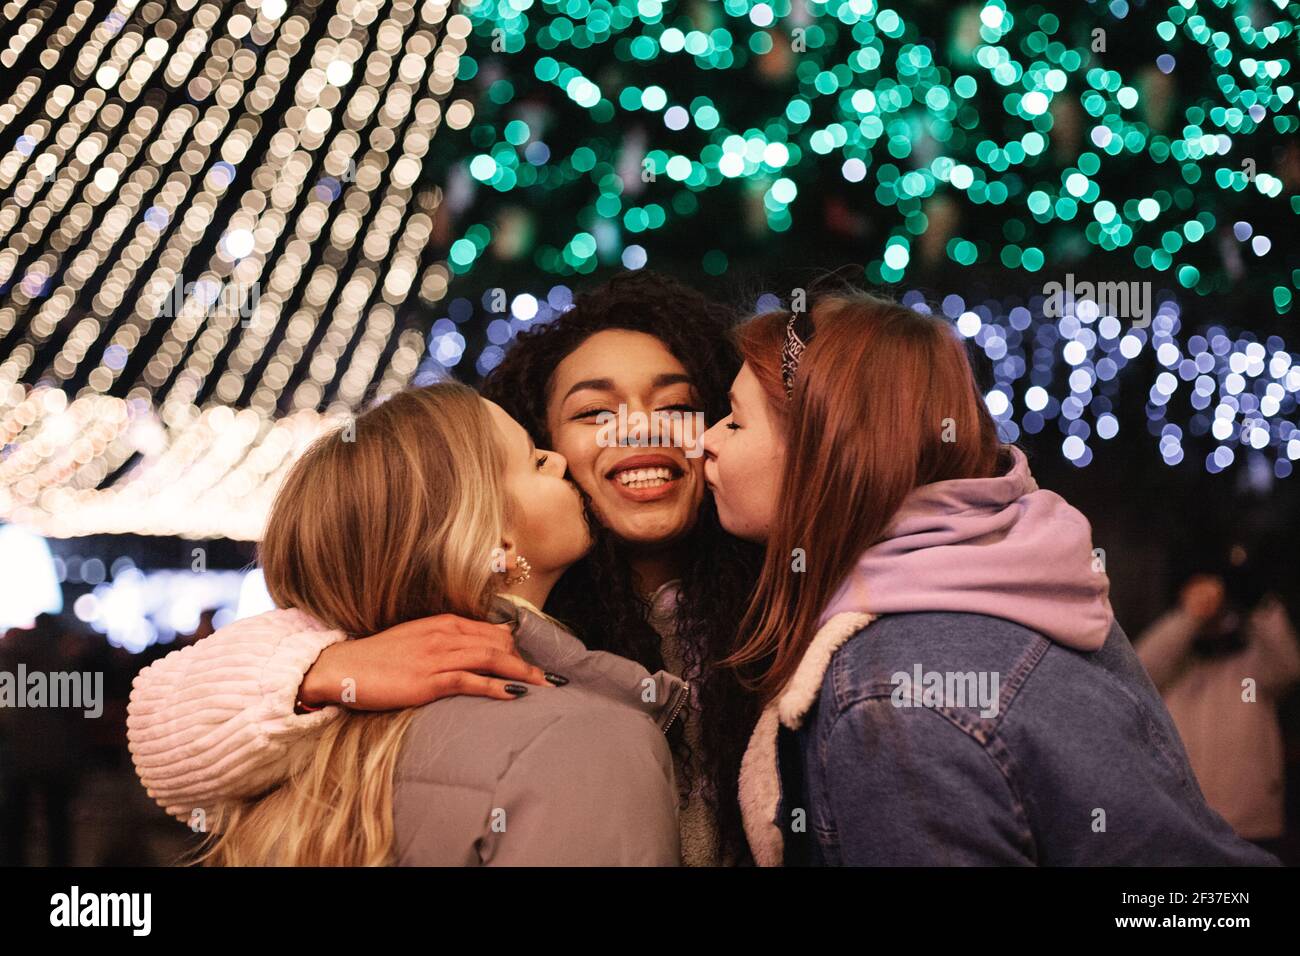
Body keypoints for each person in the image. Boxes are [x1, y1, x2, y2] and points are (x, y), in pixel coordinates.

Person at [127, 270, 761, 865]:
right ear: (544, 442)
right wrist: (323, 672)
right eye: (594, 413)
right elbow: (164, 725)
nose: (640, 429)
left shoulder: (791, 601)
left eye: (675, 404)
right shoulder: (431, 637)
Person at [701, 289, 1280, 865]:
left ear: (822, 452)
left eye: (735, 420)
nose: (705, 441)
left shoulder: (895, 700)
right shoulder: (1024, 583)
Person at [1136, 570, 1300, 857]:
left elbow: (1287, 666)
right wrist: (1189, 616)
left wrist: (1260, 606)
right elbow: (1141, 667)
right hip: (1182, 820)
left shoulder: (1255, 665)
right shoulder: (1174, 669)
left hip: (1250, 824)